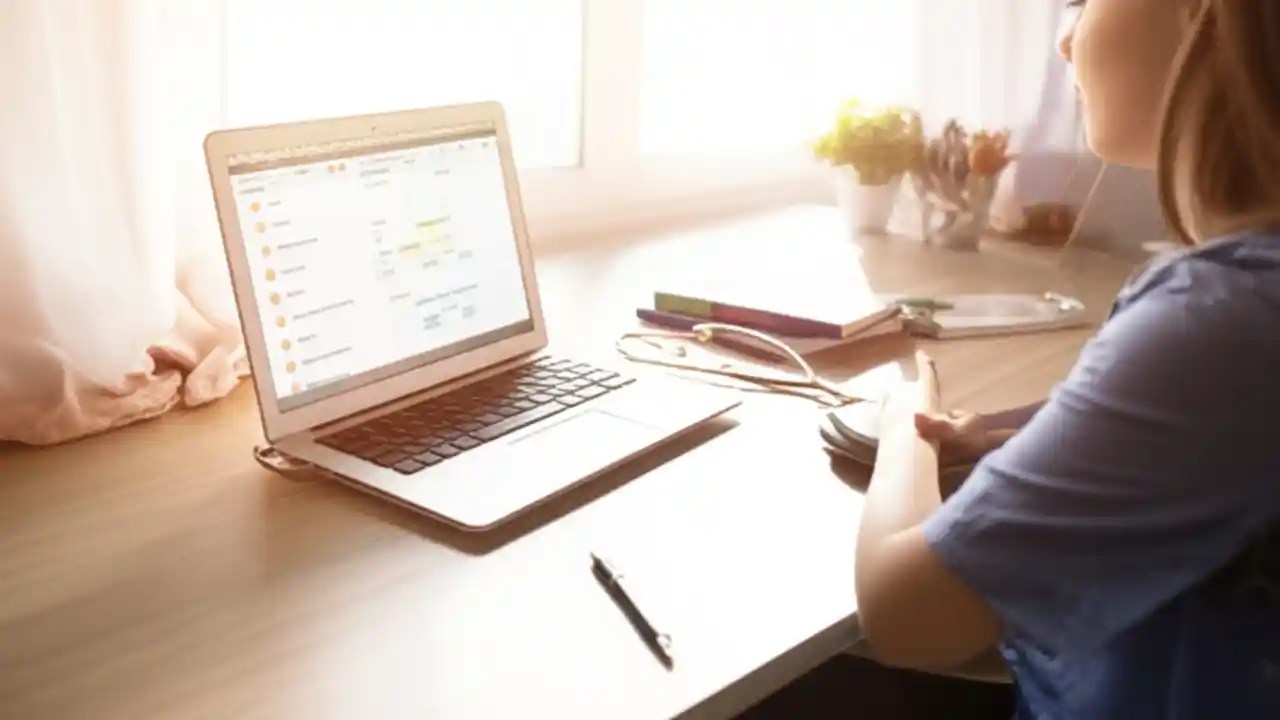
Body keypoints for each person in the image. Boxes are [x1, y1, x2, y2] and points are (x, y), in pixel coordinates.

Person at [854, 0, 1280, 717]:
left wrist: (902, 419)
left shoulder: (1226, 320)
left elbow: (904, 615)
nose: (1064, 39)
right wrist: (1033, 434)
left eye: (1085, 2)